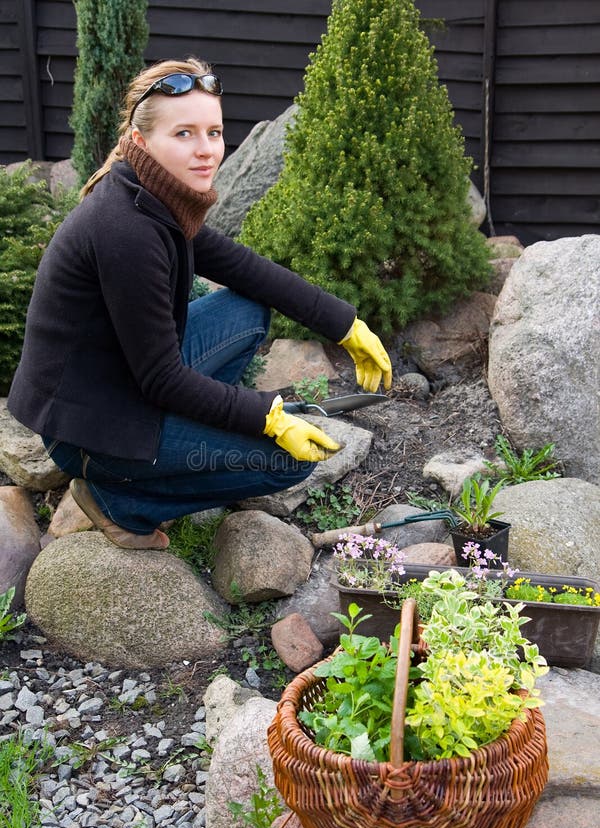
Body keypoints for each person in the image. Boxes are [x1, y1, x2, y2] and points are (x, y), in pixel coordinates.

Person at [8, 57, 392, 551]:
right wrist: (265, 417)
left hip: (120, 382)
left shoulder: (156, 194)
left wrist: (345, 325)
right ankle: (123, 501)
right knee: (288, 462)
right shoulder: (125, 229)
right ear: (142, 141)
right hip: (90, 429)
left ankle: (179, 447)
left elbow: (243, 267)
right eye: (184, 134)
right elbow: (162, 378)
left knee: (249, 311)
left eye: (213, 132)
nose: (206, 150)